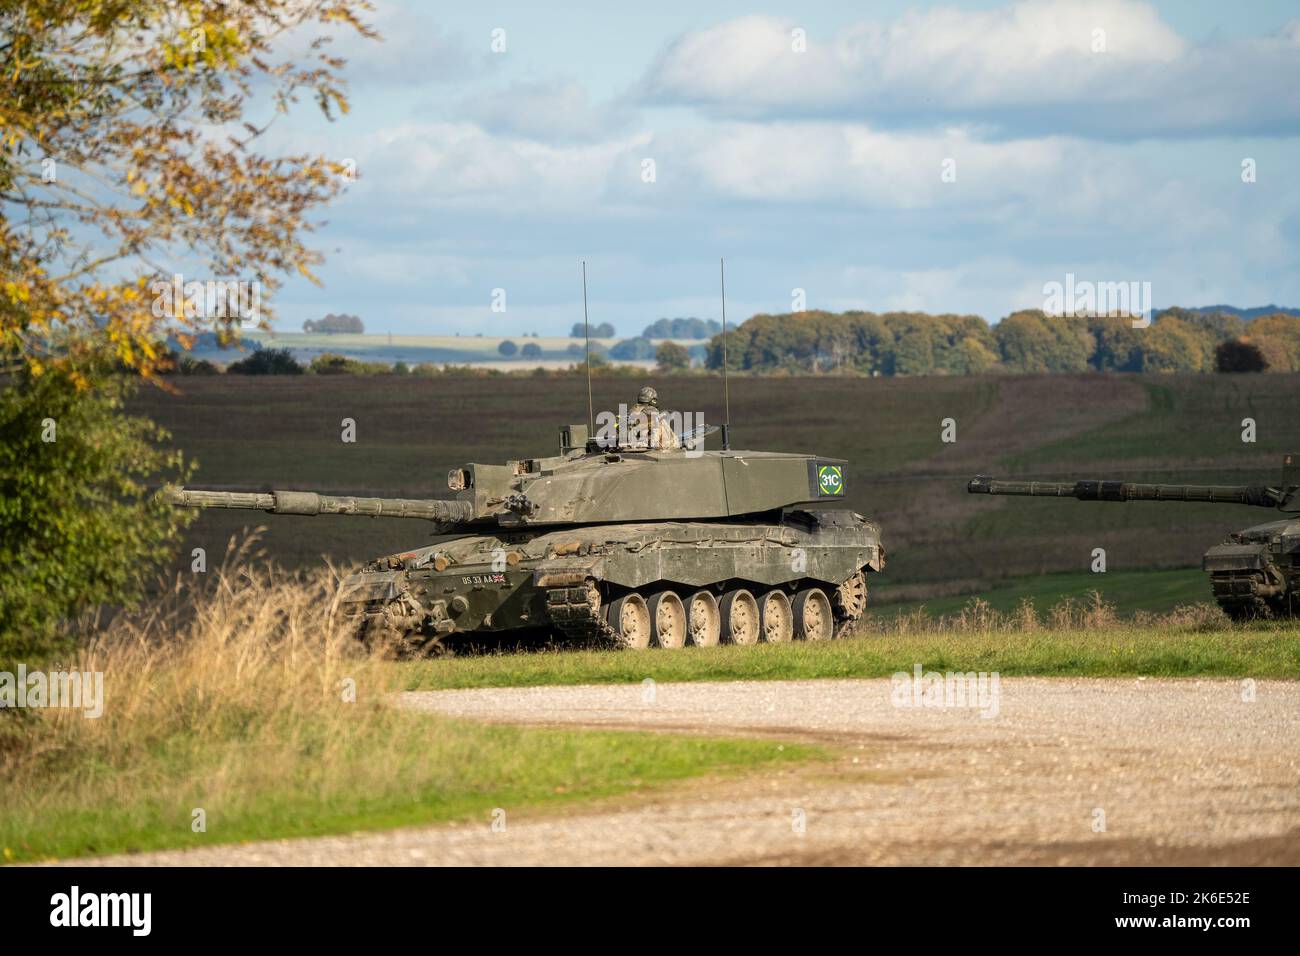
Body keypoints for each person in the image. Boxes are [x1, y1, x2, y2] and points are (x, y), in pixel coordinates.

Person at [624, 385, 678, 449]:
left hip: (634, 440)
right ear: (653, 400)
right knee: (661, 422)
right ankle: (673, 445)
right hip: (647, 443)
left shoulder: (632, 410)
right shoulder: (651, 410)